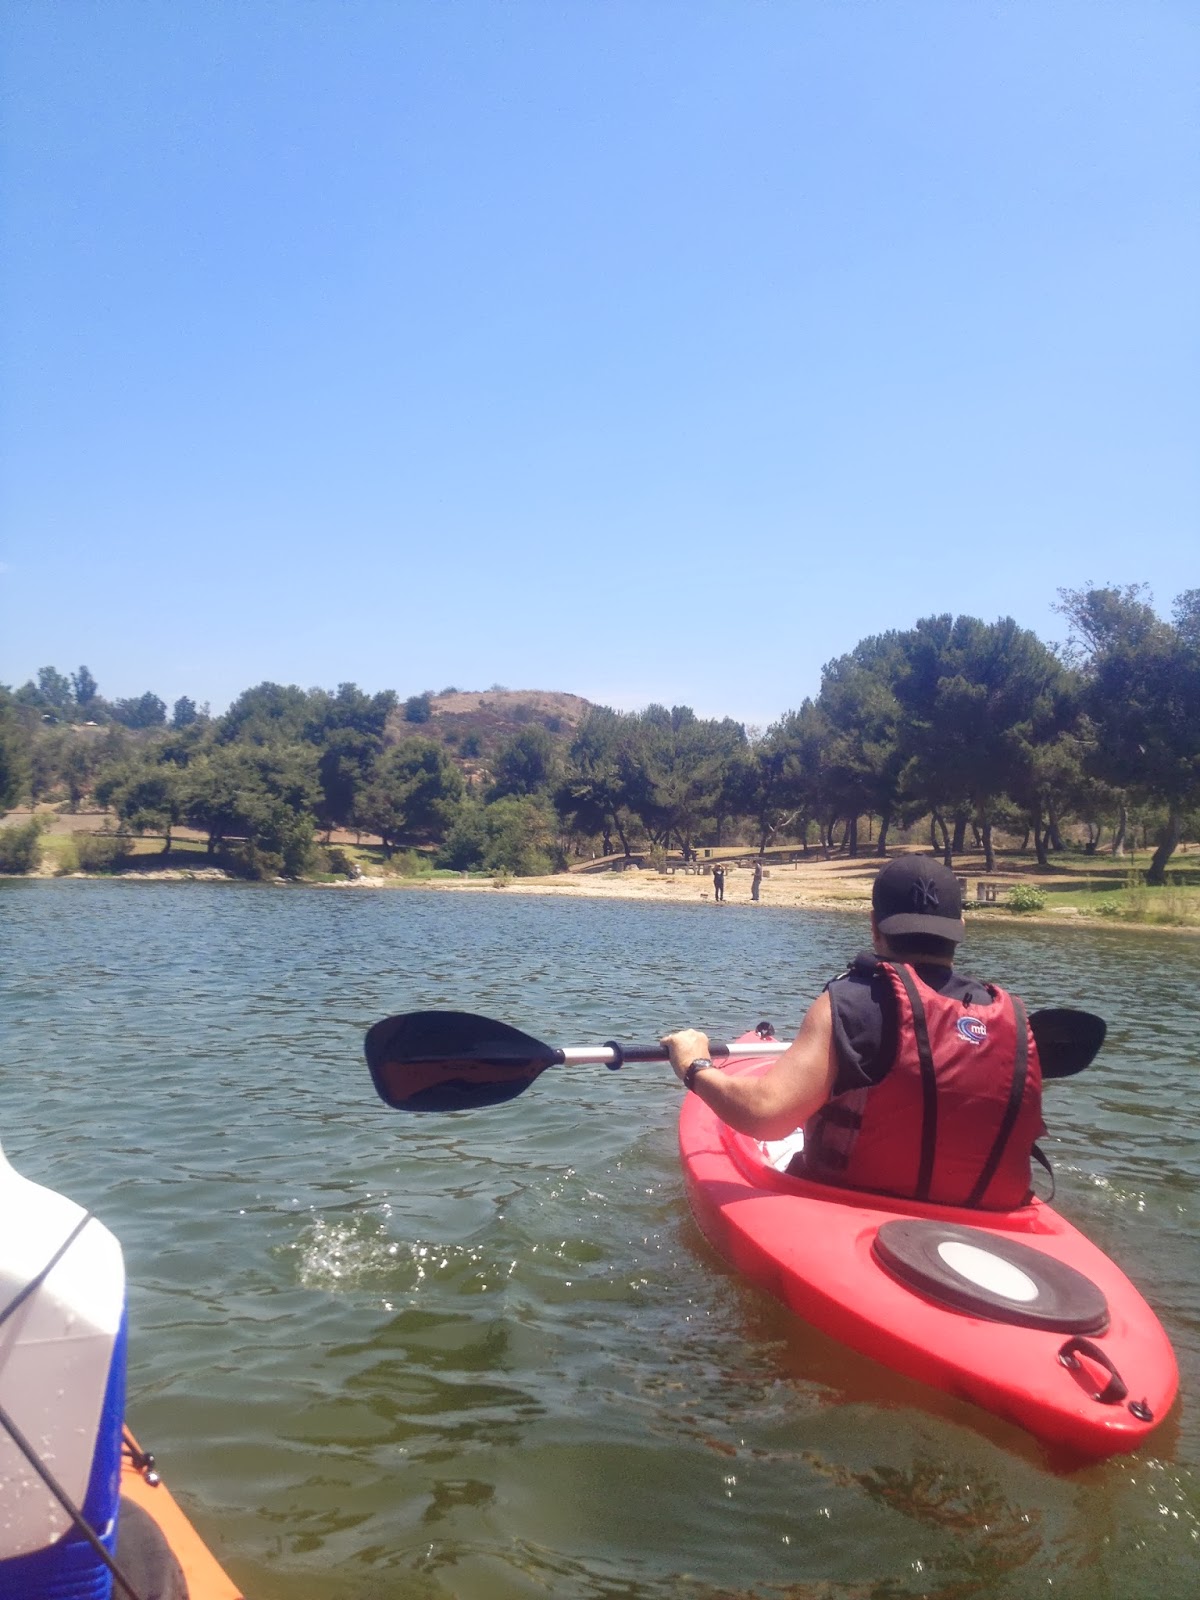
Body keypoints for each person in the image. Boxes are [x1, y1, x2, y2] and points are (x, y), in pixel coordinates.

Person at [662, 856, 1045, 1210]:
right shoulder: (1011, 1017)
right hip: (990, 1218)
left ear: (875, 927)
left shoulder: (854, 1003)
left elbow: (766, 1116)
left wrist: (694, 1066)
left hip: (853, 1211)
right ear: (961, 929)